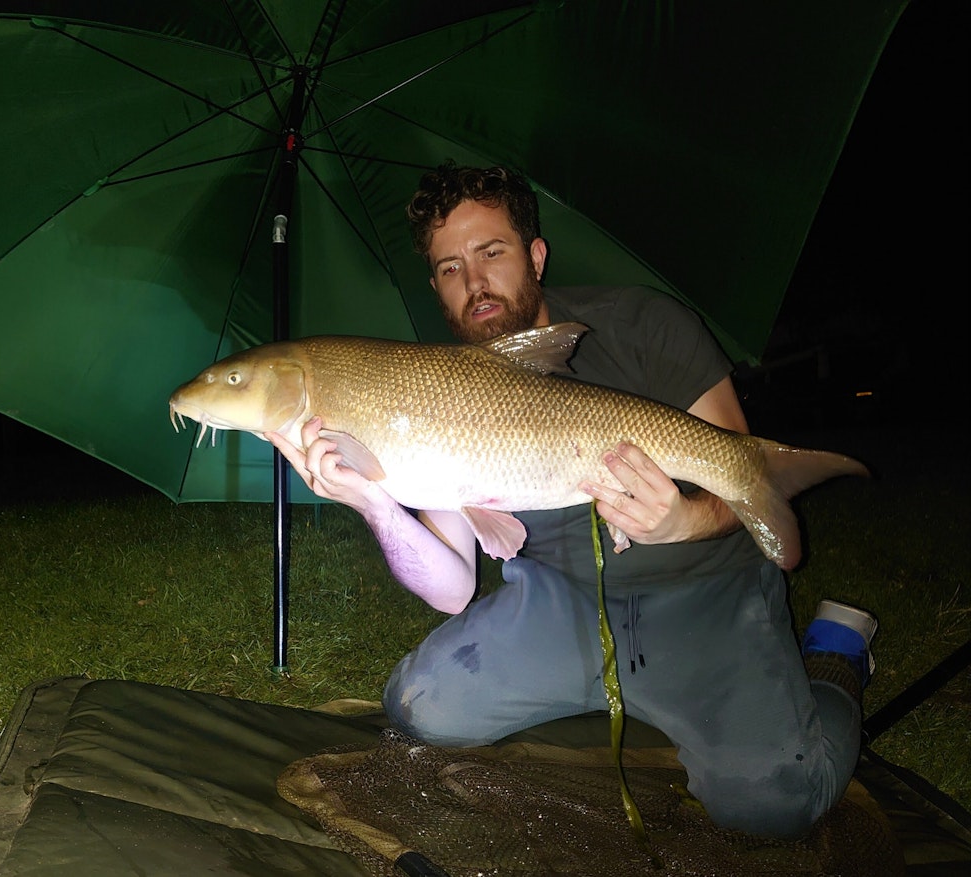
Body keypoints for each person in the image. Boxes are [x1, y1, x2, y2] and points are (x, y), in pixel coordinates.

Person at [268, 164, 877, 839]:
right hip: (559, 604)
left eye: (491, 252)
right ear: (436, 286)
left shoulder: (645, 324)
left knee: (776, 803)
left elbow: (738, 468)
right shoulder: (440, 386)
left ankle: (835, 655)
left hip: (706, 595)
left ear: (535, 255)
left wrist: (682, 519)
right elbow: (451, 587)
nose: (475, 283)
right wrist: (373, 503)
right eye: (449, 268)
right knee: (418, 706)